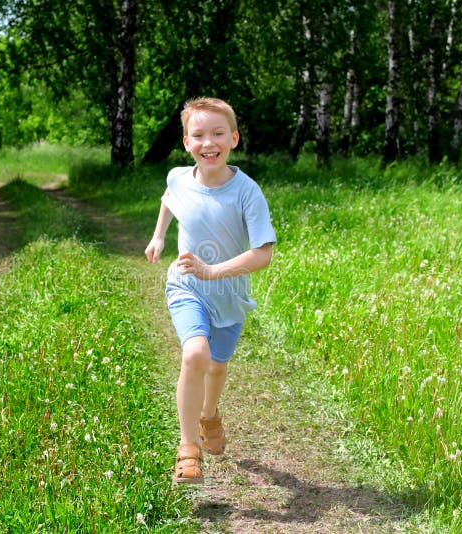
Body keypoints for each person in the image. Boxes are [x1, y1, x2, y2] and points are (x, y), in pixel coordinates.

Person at [144, 97, 276, 484]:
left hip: (230, 294)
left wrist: (213, 271)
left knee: (217, 366)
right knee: (195, 354)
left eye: (218, 133)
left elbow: (263, 253)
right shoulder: (177, 176)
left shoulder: (246, 192)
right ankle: (188, 450)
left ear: (233, 138)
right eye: (198, 135)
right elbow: (170, 200)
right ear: (186, 142)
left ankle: (209, 414)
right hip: (184, 285)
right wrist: (158, 237)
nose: (208, 142)